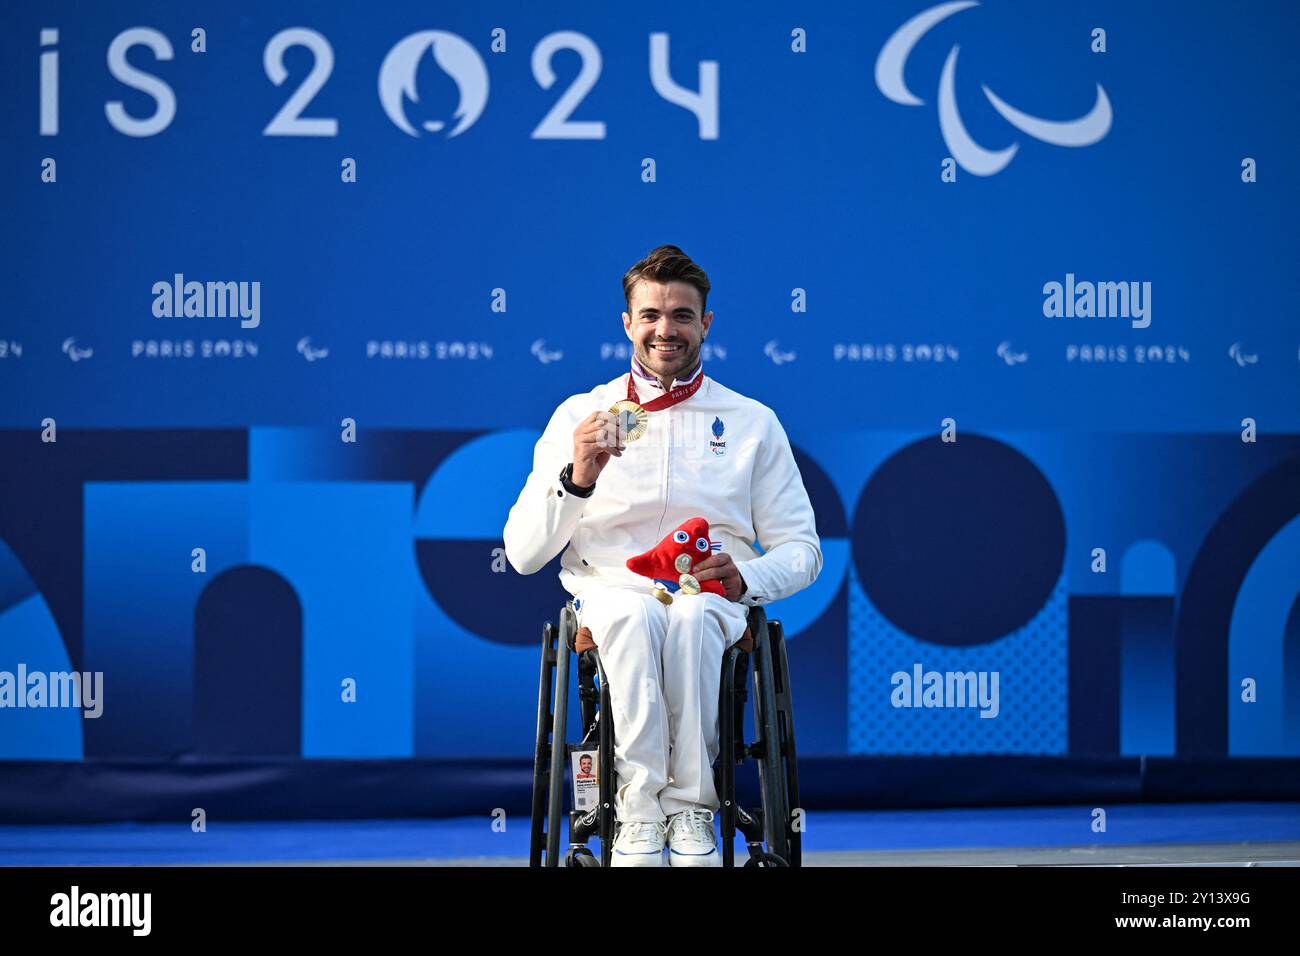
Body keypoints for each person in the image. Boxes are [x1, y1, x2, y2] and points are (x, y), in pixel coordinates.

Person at [503, 245, 822, 866]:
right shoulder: (580, 415)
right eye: (650, 314)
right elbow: (521, 553)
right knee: (633, 614)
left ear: (706, 324)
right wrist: (578, 478)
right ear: (627, 323)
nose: (665, 329)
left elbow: (803, 551)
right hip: (611, 591)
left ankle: (692, 808)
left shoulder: (752, 421)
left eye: (681, 315)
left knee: (693, 616)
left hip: (712, 600)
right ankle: (640, 813)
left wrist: (743, 578)